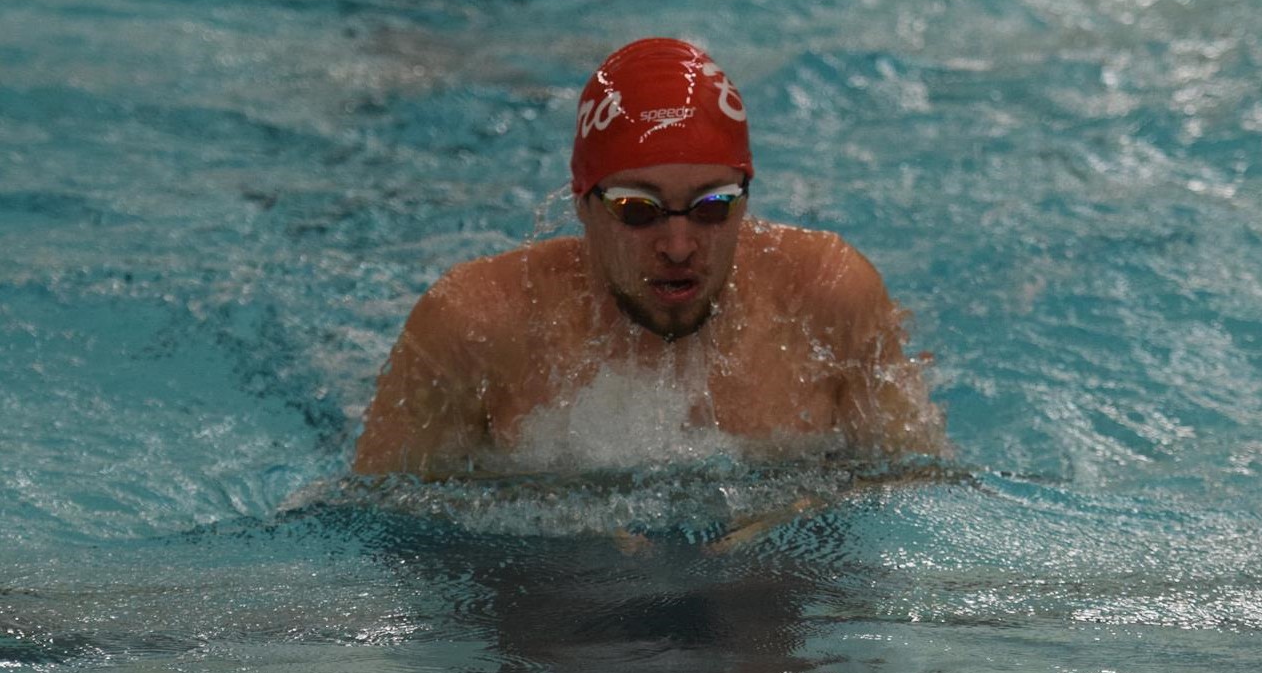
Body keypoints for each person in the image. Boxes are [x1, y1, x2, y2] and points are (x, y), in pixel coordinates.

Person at [353, 37, 944, 478]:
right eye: (638, 209)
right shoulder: (474, 325)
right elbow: (378, 524)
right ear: (583, 204)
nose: (679, 245)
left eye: (713, 207)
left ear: (747, 198)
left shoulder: (829, 293)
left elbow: (920, 484)